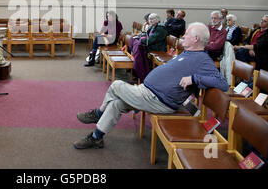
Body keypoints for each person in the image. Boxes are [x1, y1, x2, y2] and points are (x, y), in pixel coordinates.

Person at [74, 22, 229, 149]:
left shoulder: (203, 59)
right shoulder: (188, 52)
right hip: (146, 92)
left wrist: (195, 78)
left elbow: (223, 83)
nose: (184, 35)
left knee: (117, 85)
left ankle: (97, 113)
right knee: (116, 104)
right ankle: (96, 137)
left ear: (196, 38)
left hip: (158, 100)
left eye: (187, 33)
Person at [124, 13, 168, 86]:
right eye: (149, 19)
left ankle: (142, 73)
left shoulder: (160, 28)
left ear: (157, 19)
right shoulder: (153, 27)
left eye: (152, 19)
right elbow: (143, 35)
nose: (150, 20)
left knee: (139, 48)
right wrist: (141, 36)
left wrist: (142, 36)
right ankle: (138, 72)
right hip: (150, 46)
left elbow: (148, 41)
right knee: (136, 45)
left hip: (156, 48)